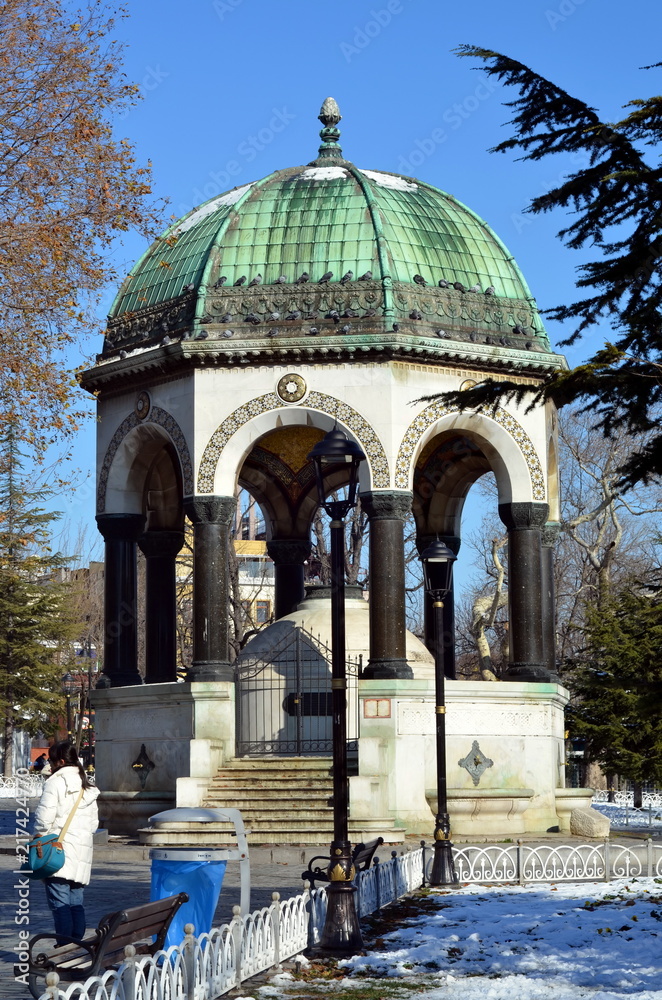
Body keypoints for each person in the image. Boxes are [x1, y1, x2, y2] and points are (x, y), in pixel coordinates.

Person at [33, 740, 100, 942]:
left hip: (58, 851)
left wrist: (38, 834)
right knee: (75, 904)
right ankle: (77, 945)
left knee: (60, 904)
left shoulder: (55, 782)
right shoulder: (86, 786)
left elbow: (44, 818)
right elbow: (94, 824)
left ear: (61, 761)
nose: (50, 766)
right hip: (80, 853)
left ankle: (64, 947)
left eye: (52, 762)